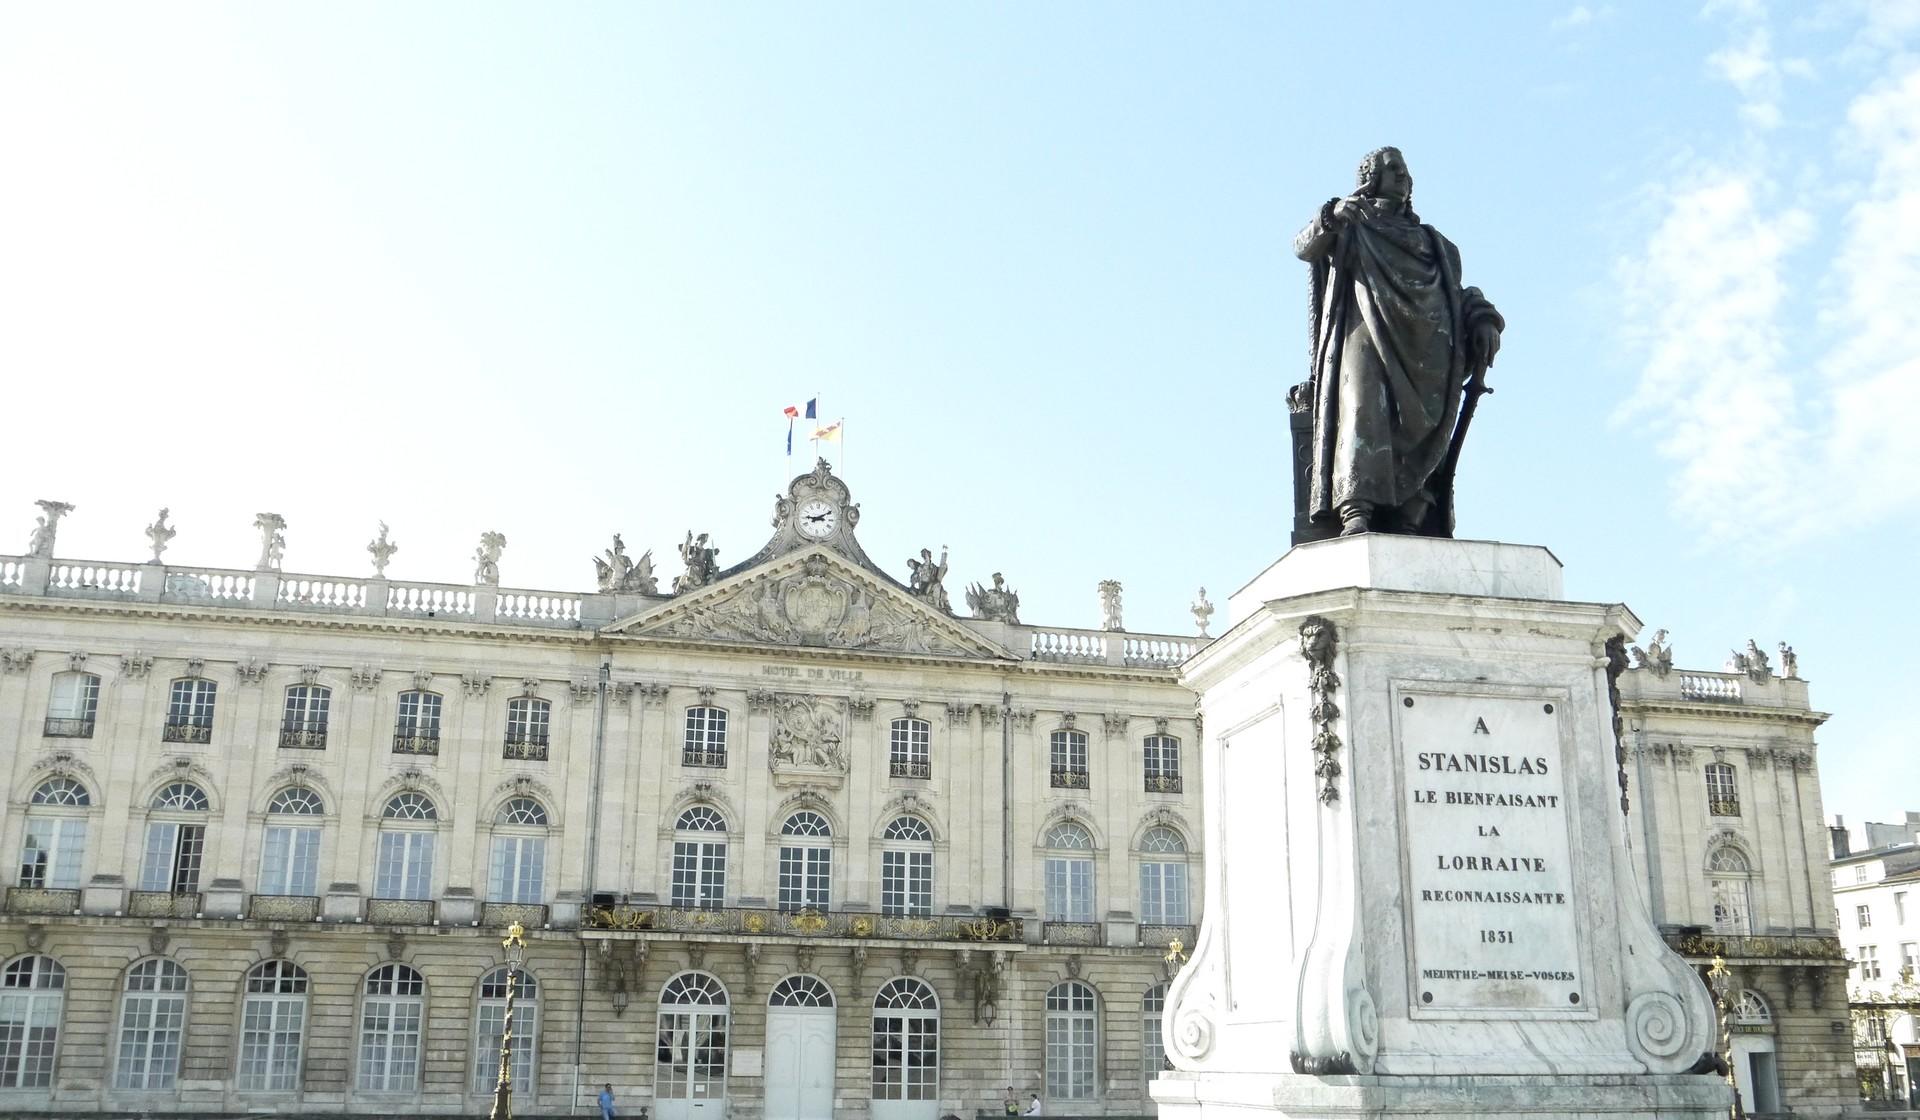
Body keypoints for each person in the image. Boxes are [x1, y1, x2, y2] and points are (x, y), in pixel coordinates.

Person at [1293, 146, 1504, 538]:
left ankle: (1412, 512)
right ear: (1370, 177)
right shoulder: (1350, 224)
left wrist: (1484, 317)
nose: (1402, 176)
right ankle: (1356, 507)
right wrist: (1330, 215)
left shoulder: (1435, 243)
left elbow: (1457, 295)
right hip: (1364, 330)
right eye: (1392, 169)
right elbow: (1303, 246)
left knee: (1421, 424)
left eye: (1405, 170)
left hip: (1427, 349)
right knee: (1361, 410)